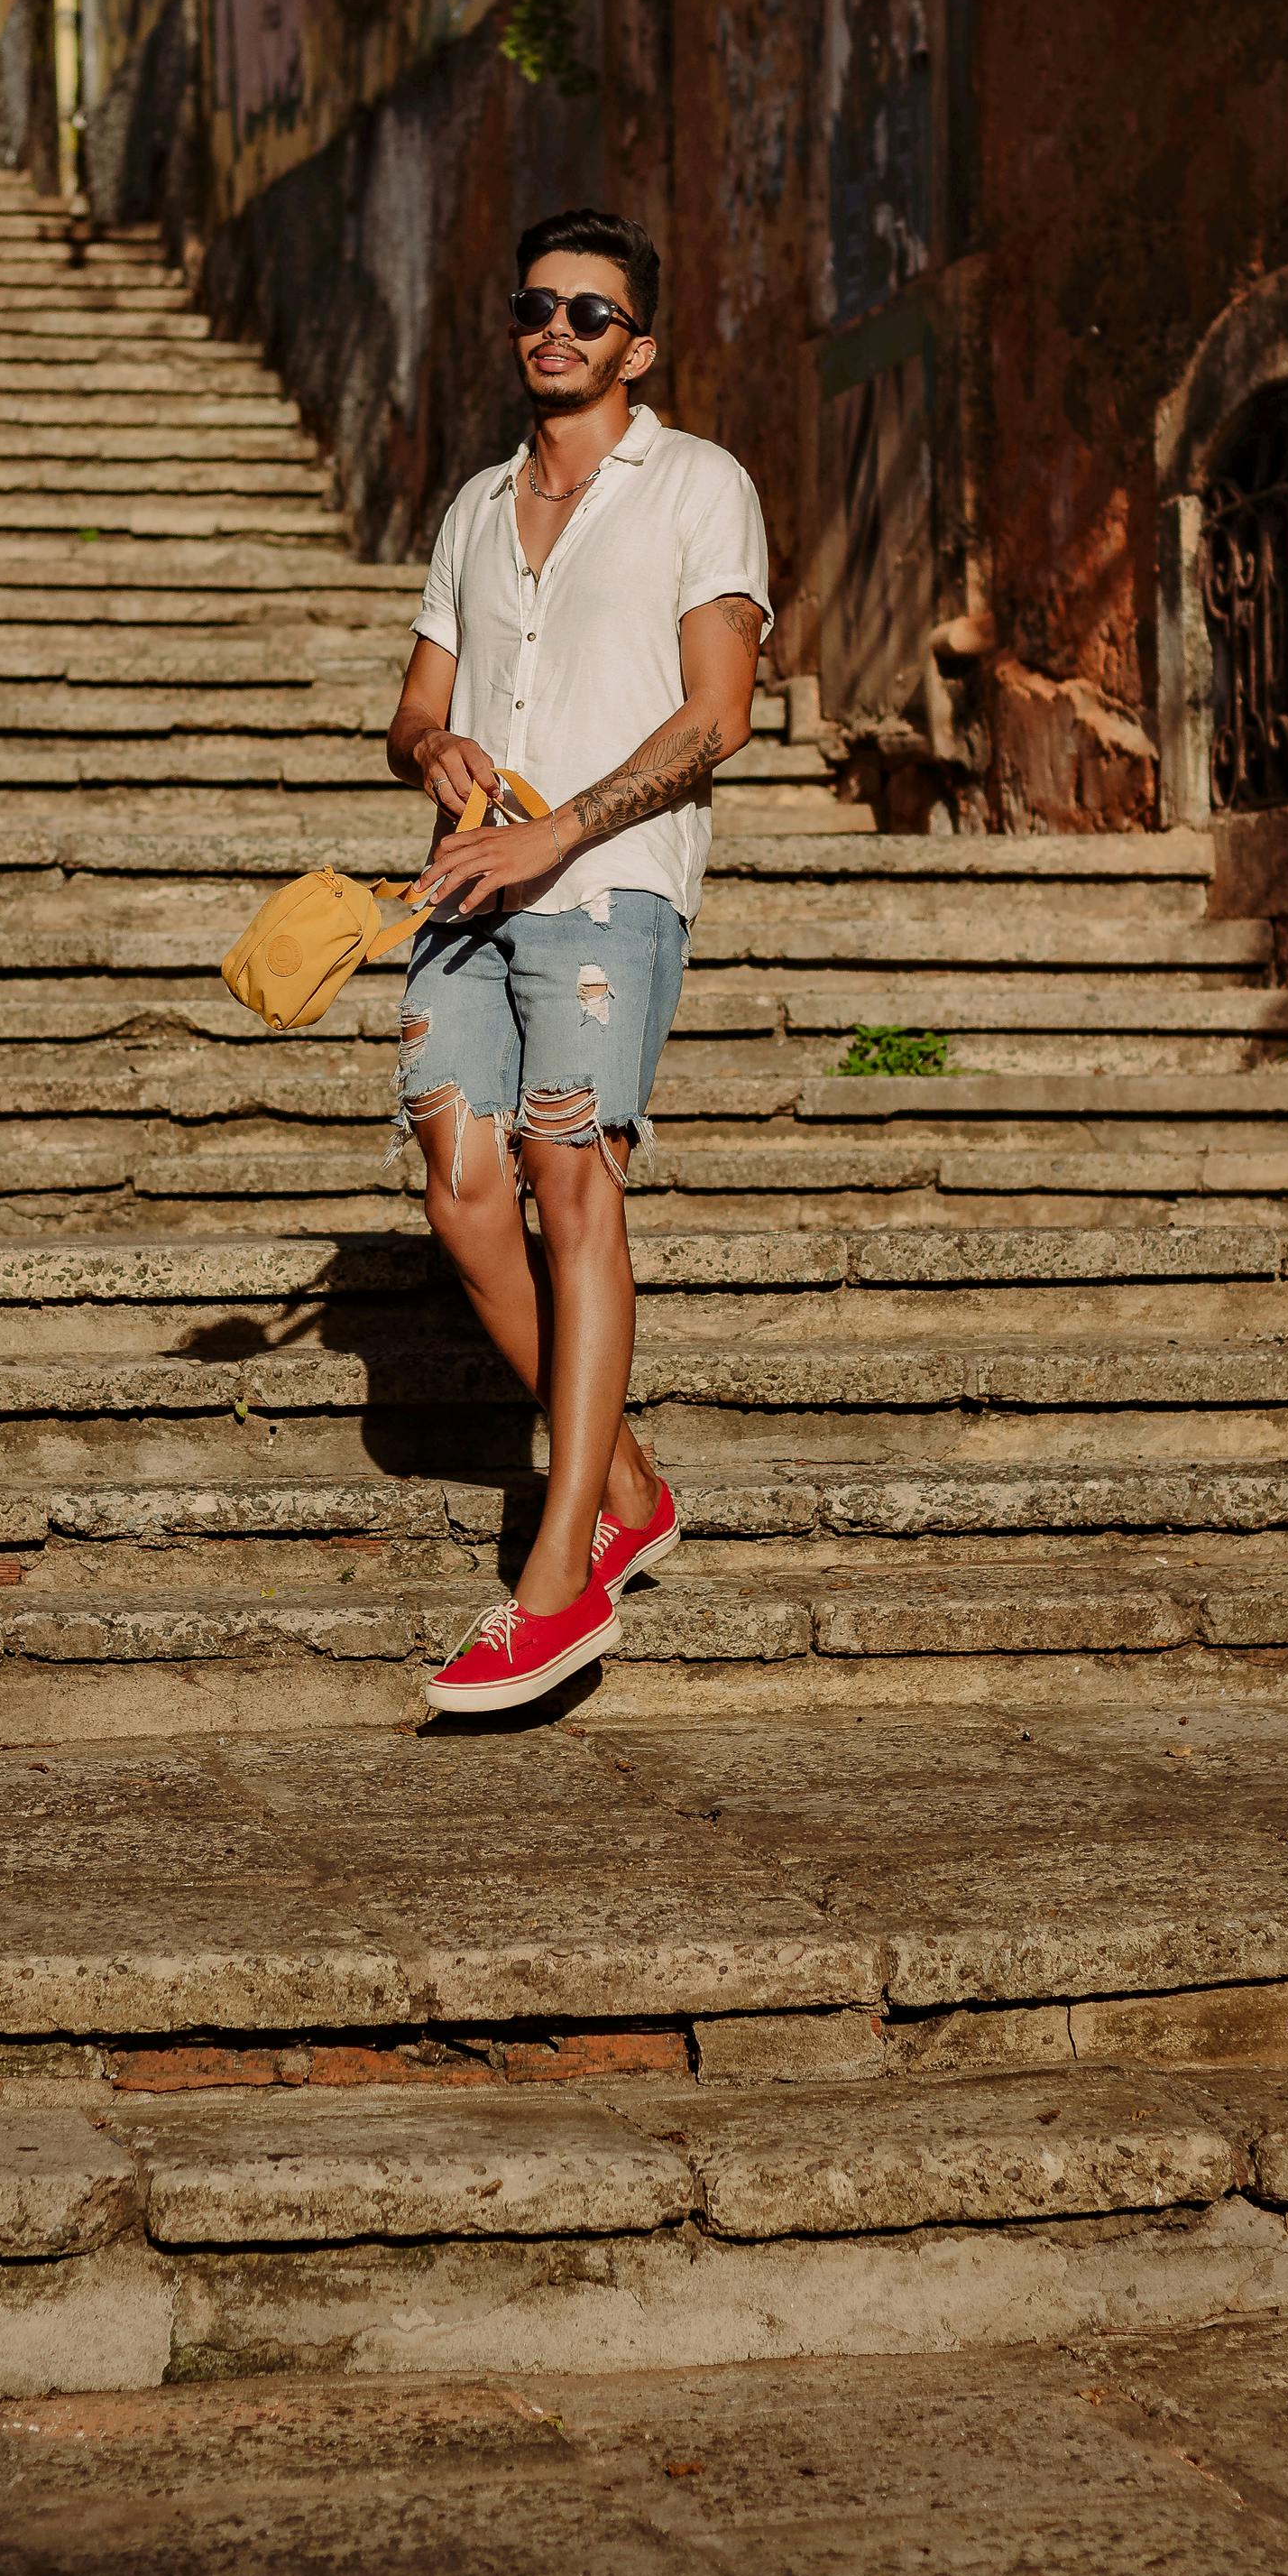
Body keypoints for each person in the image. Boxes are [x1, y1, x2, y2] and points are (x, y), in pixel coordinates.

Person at [385, 207, 771, 1714]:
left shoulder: (700, 485)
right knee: (459, 1185)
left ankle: (559, 1579)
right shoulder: (477, 507)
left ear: (640, 346)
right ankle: (627, 1481)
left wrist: (558, 832)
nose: (557, 328)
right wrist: (437, 747)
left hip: (608, 887)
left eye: (591, 312)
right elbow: (413, 707)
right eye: (536, 304)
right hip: (466, 884)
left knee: (567, 1175)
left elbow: (719, 714)